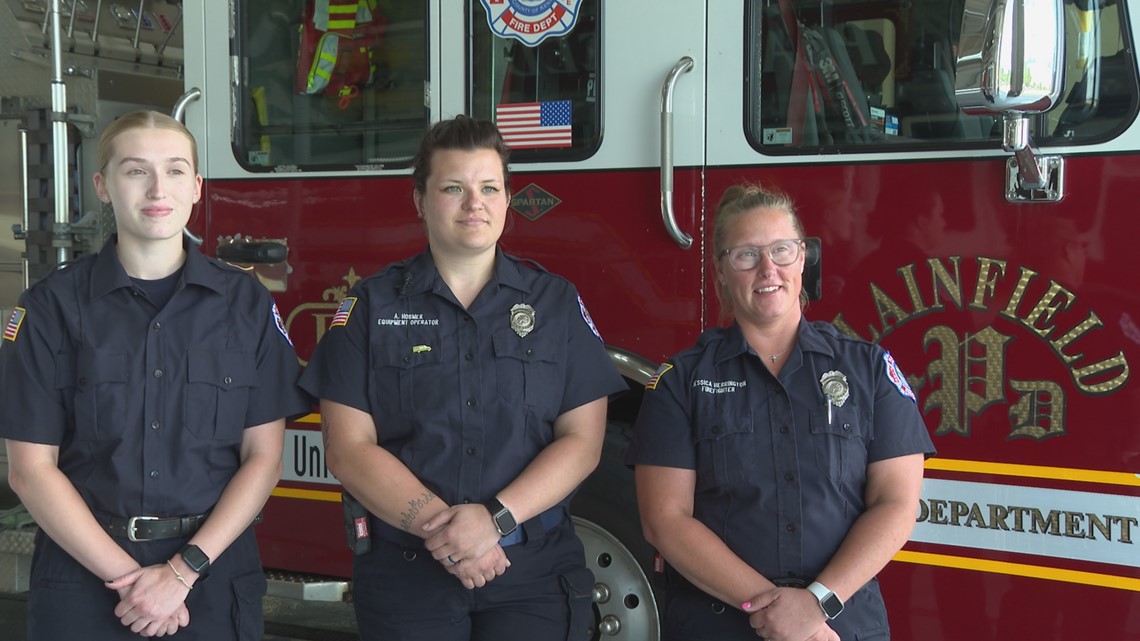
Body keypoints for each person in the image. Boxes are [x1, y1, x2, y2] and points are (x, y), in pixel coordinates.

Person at [298, 115, 626, 641]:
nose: (475, 203)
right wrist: (449, 534)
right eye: (453, 188)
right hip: (408, 576)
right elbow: (347, 449)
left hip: (533, 575)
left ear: (507, 198)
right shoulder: (369, 306)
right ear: (420, 200)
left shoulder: (555, 303)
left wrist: (493, 521)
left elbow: (583, 442)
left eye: (489, 187)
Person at [0, 110, 311, 639]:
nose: (156, 188)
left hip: (211, 577)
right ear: (102, 185)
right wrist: (130, 580)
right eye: (135, 170)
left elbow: (263, 459)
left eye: (173, 170)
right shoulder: (49, 308)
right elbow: (30, 469)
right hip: (84, 579)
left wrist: (181, 572)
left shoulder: (246, 306)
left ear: (196, 186)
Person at [627, 183, 935, 641]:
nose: (768, 268)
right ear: (721, 273)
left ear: (803, 259)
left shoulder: (868, 368)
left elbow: (897, 503)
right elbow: (665, 520)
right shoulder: (679, 380)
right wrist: (776, 613)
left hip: (839, 624)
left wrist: (817, 605)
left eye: (781, 250)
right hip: (720, 625)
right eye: (746, 255)